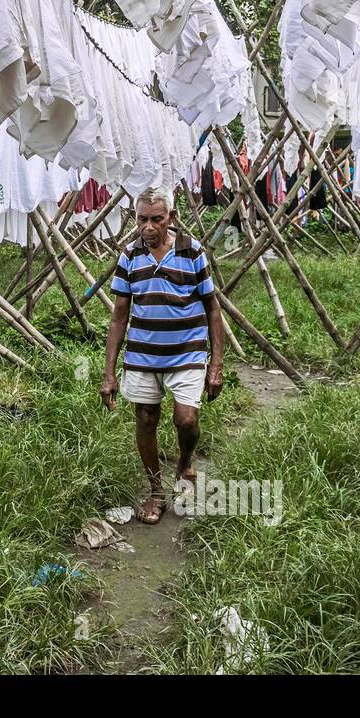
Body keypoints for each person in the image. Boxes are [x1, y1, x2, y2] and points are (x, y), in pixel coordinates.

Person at [101, 188, 224, 524]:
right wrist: (109, 374)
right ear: (135, 219)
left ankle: (185, 461)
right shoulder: (129, 256)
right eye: (142, 219)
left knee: (186, 419)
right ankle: (156, 490)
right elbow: (119, 316)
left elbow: (213, 309)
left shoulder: (192, 251)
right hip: (143, 355)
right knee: (145, 419)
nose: (149, 226)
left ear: (171, 217)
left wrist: (215, 364)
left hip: (187, 351)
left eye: (157, 218)